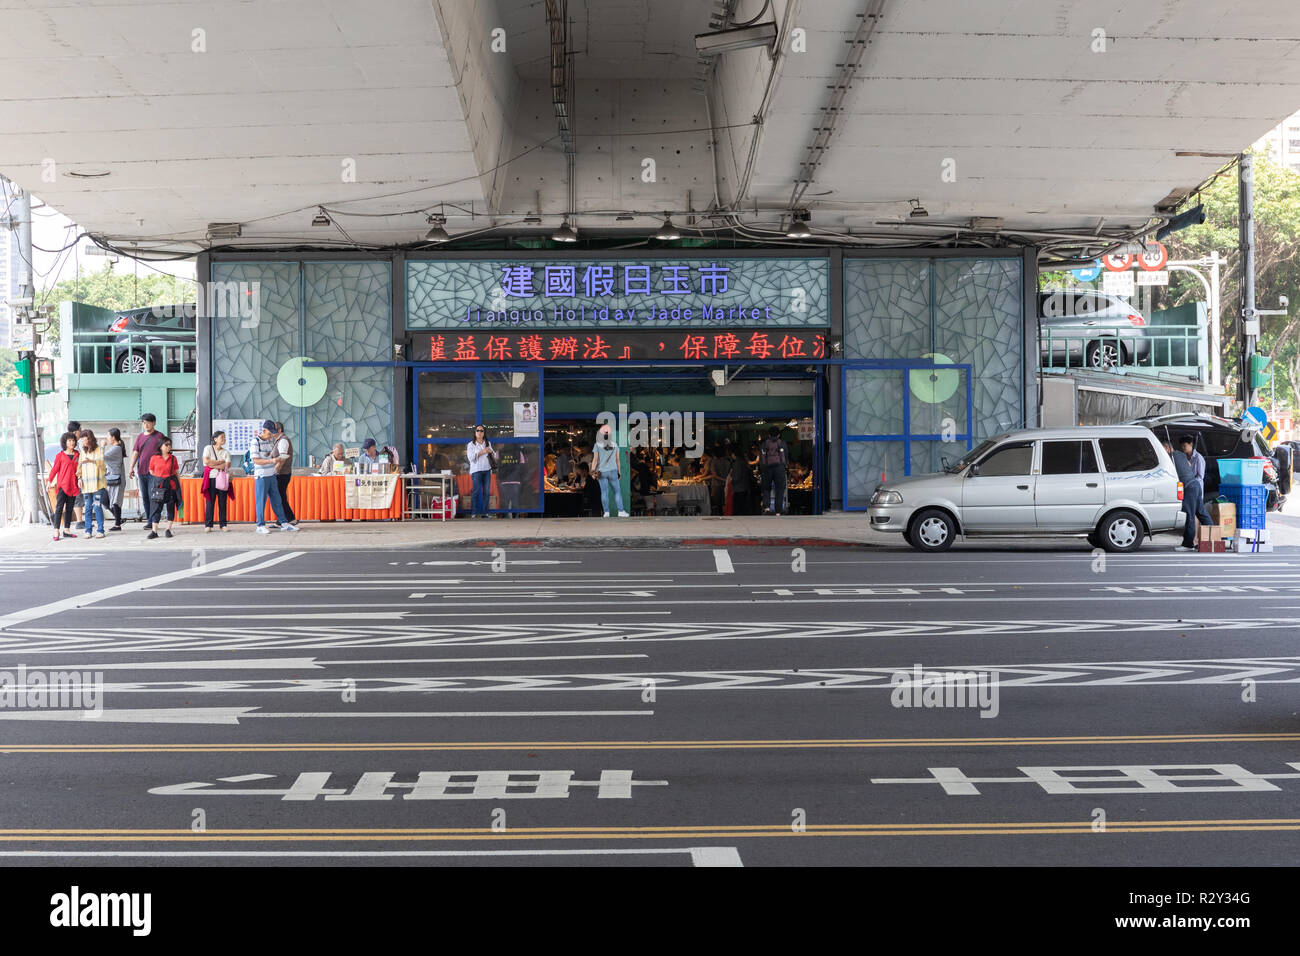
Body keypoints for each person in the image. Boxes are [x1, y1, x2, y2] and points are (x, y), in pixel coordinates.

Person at [249, 419, 297, 534]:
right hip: (261, 476)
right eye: (269, 433)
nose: (271, 436)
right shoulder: (255, 442)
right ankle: (260, 525)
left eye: (272, 434)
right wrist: (272, 460)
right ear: (264, 430)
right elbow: (256, 460)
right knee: (261, 501)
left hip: (272, 475)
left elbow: (272, 456)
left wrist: (277, 460)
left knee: (277, 500)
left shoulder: (270, 442)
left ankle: (284, 523)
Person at [128, 413, 167, 533]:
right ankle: (150, 520)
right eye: (144, 423)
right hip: (141, 470)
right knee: (145, 496)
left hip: (155, 472)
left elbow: (165, 451)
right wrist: (131, 467)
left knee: (153, 496)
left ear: (154, 423)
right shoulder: (140, 437)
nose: (146, 425)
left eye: (148, 422)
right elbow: (135, 453)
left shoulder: (159, 436)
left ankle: (154, 520)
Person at [1174, 434, 1213, 551]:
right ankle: (1214, 535)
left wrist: (1189, 481)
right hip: (1190, 488)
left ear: (1191, 444)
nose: (1183, 448)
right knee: (1200, 512)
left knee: (1190, 514)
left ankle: (1188, 544)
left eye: (1185, 445)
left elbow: (1200, 477)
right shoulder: (1185, 457)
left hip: (1194, 488)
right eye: (1182, 446)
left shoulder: (1198, 458)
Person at [47, 432, 80, 541]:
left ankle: (66, 530)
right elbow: (54, 470)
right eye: (69, 440)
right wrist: (49, 481)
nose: (72, 442)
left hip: (73, 485)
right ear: (65, 442)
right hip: (62, 486)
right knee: (59, 508)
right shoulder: (60, 456)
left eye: (73, 440)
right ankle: (56, 530)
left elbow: (80, 469)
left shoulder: (77, 455)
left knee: (70, 508)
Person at [147, 437, 181, 539]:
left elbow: (176, 473)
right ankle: (154, 531)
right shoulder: (154, 458)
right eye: (166, 445)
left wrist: (179, 487)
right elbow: (151, 472)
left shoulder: (173, 458)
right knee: (157, 507)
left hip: (171, 485)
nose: (168, 447)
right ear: (160, 446)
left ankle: (168, 529)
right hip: (159, 485)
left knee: (171, 506)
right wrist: (159, 478)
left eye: (169, 445)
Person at [592, 423, 629, 518]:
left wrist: (593, 471)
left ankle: (606, 512)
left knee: (604, 492)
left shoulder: (597, 445)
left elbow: (595, 459)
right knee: (617, 492)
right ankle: (620, 511)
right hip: (613, 471)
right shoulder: (614, 444)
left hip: (602, 472)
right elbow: (618, 460)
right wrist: (619, 472)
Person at [76, 429, 107, 538]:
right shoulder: (82, 452)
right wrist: (79, 478)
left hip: (97, 485)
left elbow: (103, 466)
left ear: (90, 439)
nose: (84, 442)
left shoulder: (99, 450)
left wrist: (92, 461)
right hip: (86, 485)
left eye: (86, 439)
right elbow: (79, 467)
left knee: (97, 506)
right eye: (82, 440)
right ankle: (88, 530)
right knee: (88, 507)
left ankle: (100, 530)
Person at [202, 429, 233, 531]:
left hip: (222, 479)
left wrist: (214, 464)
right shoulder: (208, 448)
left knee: (222, 502)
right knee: (210, 502)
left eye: (224, 437)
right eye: (222, 437)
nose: (224, 439)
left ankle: (223, 524)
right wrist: (220, 462)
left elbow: (227, 465)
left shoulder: (226, 452)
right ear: (215, 439)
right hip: (211, 478)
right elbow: (206, 461)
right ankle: (208, 525)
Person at [759, 426, 790, 515]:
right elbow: (786, 456)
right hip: (779, 468)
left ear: (769, 435)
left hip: (767, 468)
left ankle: (767, 508)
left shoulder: (764, 444)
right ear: (779, 435)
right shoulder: (782, 443)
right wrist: (785, 467)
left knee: (766, 488)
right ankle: (778, 511)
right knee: (779, 489)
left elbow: (761, 458)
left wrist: (762, 469)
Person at [466, 426, 494, 517]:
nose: (480, 432)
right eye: (478, 430)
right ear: (475, 432)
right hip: (476, 470)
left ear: (484, 432)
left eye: (482, 430)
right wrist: (482, 451)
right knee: (476, 491)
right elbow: (471, 458)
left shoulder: (487, 443)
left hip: (487, 470)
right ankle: (474, 512)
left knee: (486, 492)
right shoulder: (471, 444)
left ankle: (485, 512)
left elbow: (494, 455)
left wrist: (490, 451)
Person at [273, 421, 296, 525]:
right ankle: (281, 520)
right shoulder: (278, 440)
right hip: (280, 473)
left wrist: (276, 470)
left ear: (279, 430)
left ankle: (290, 518)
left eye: (273, 431)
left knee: (280, 497)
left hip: (282, 473)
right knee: (279, 497)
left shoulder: (283, 441)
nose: (271, 433)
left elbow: (282, 458)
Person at [103, 427, 127, 531]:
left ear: (113, 437)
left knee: (115, 501)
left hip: (117, 478)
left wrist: (102, 446)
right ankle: (118, 519)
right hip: (112, 477)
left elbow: (102, 457)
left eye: (108, 435)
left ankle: (117, 524)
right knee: (108, 500)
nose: (107, 438)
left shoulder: (116, 448)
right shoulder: (115, 447)